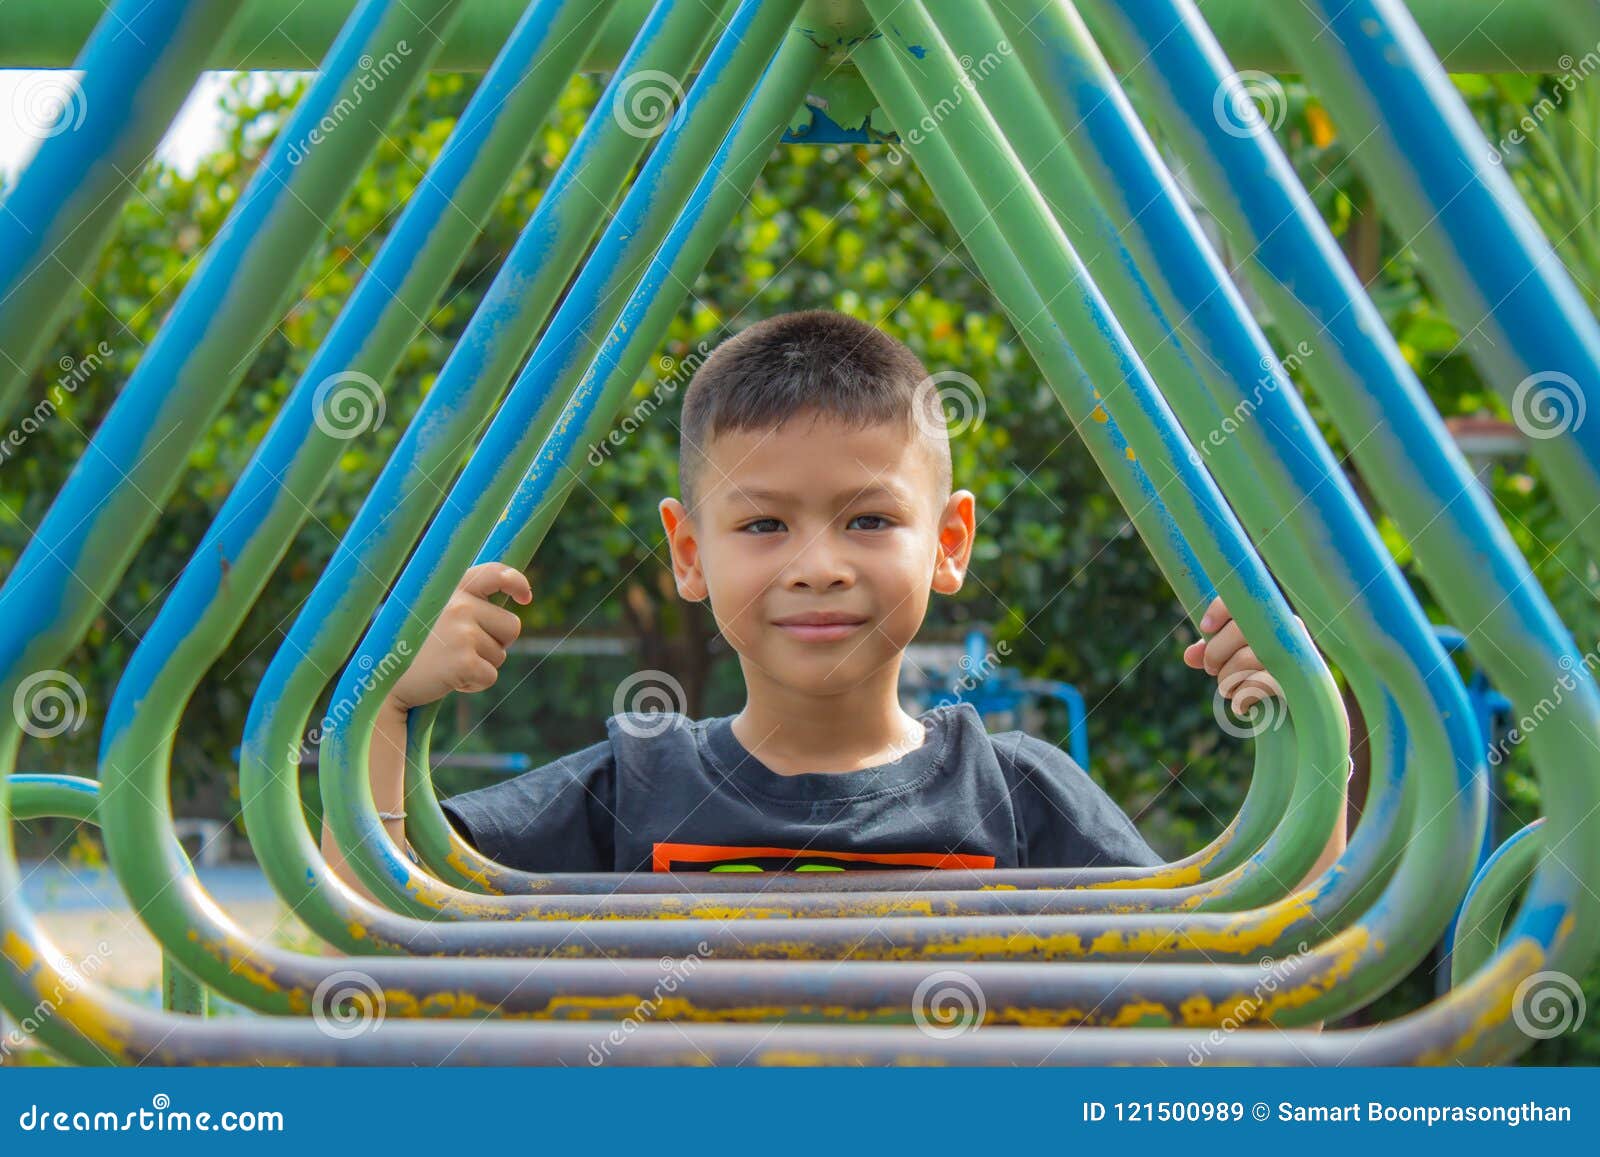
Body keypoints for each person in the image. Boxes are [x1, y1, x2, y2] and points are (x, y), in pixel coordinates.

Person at [321, 310, 1346, 893]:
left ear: (948, 544)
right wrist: (387, 704)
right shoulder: (629, 786)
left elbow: (1255, 992)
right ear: (688, 552)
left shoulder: (1020, 796)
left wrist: (1311, 738)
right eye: (762, 525)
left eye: (867, 520)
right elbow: (377, 942)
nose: (817, 564)